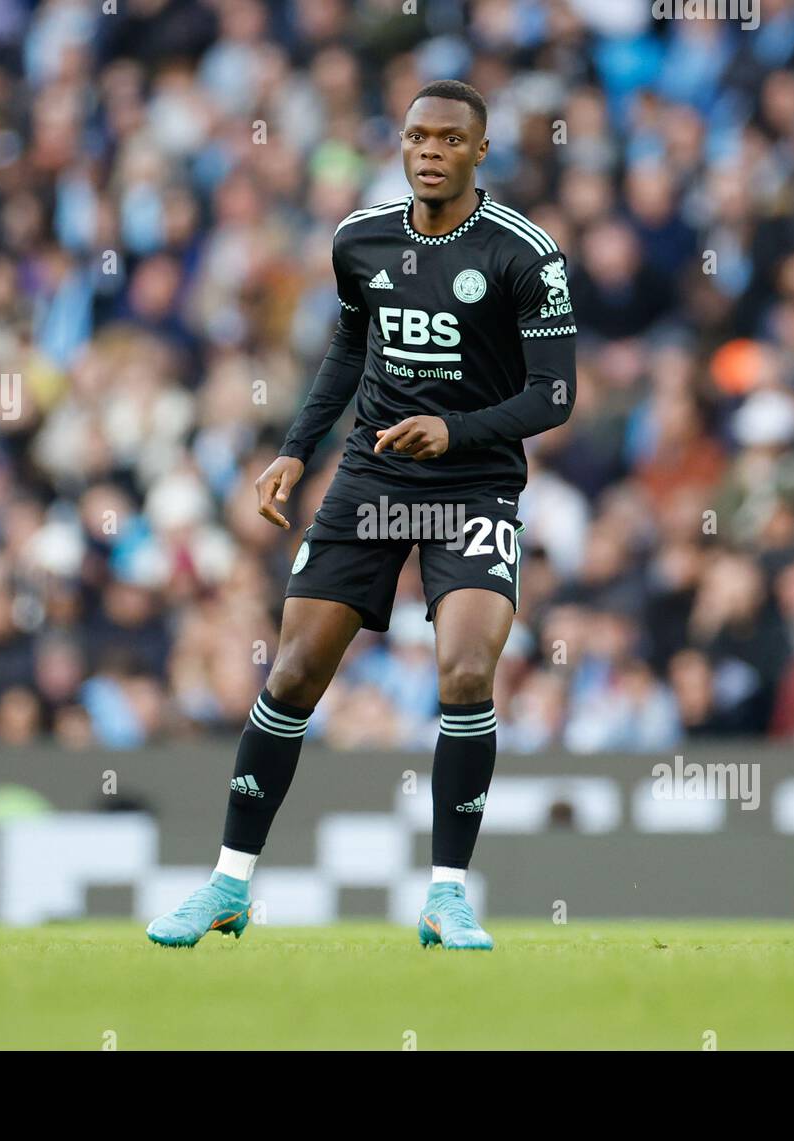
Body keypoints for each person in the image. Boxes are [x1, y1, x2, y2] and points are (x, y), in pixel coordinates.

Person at [146, 80, 577, 951]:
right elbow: (350, 344)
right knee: (296, 671)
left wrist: (453, 431)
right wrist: (296, 449)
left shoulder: (525, 254)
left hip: (473, 486)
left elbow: (556, 393)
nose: (429, 150)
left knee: (463, 670)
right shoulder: (360, 240)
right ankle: (228, 886)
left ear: (479, 151)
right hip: (371, 481)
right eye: (417, 135)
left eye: (449, 139)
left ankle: (447, 894)